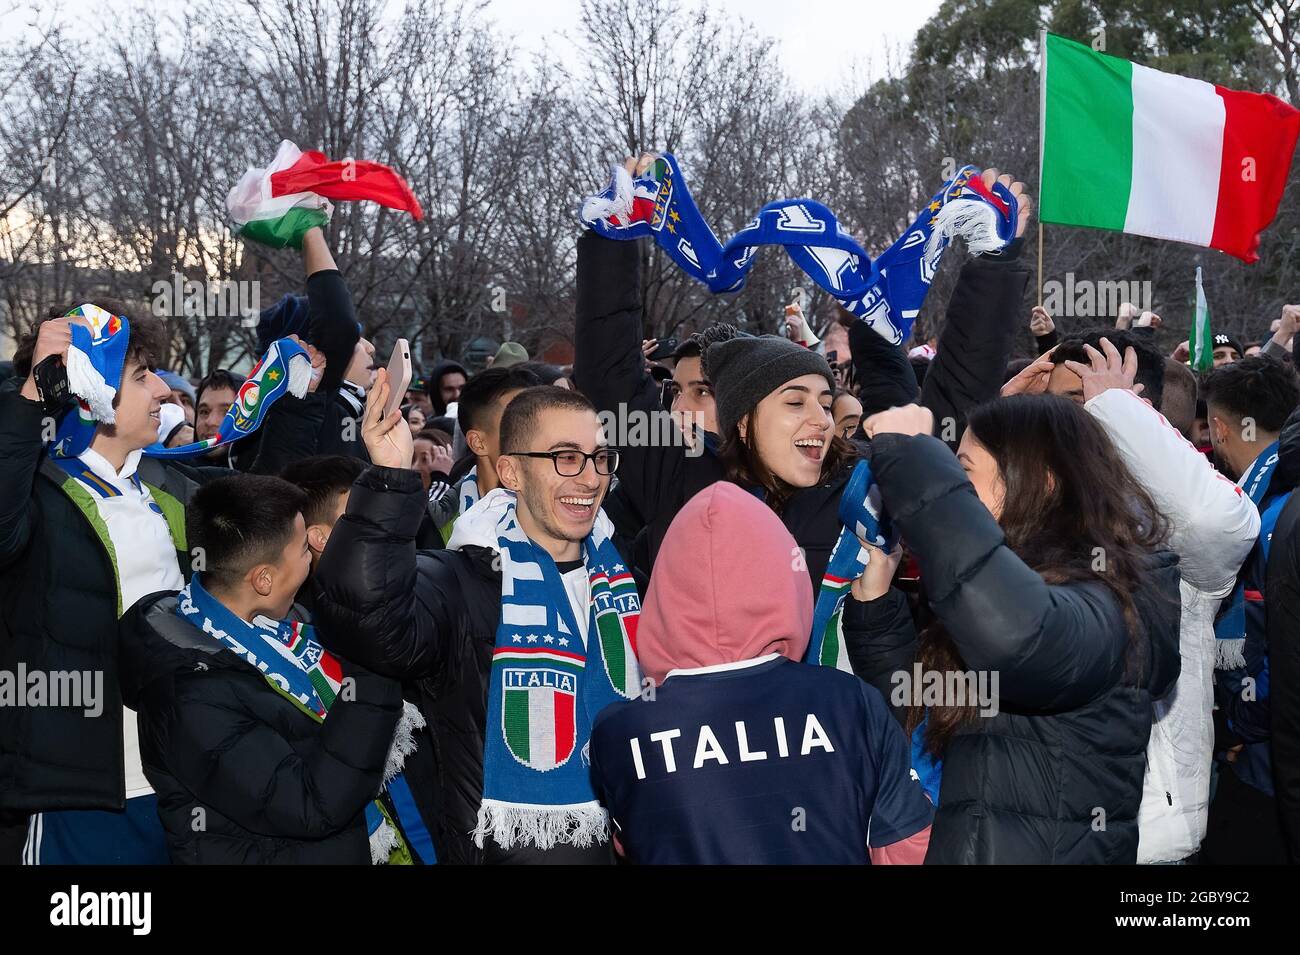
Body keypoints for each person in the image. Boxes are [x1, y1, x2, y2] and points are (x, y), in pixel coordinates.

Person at [574, 160, 1033, 587]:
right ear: (743, 420)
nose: (822, 419)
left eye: (825, 402)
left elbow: (954, 404)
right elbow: (609, 377)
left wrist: (996, 261)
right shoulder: (677, 473)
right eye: (795, 401)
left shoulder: (863, 484)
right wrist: (611, 244)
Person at [311, 377, 639, 863]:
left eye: (600, 458)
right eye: (566, 458)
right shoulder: (460, 580)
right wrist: (389, 480)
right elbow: (364, 618)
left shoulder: (623, 579)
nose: (590, 478)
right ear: (510, 472)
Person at [847, 396, 1180, 863]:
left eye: (964, 475)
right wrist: (877, 612)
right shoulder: (1016, 587)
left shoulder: (1110, 603)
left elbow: (1019, 639)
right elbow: (916, 715)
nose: (957, 490)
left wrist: (916, 461)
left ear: (1040, 484)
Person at [589, 482, 932, 864]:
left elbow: (634, 842)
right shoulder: (851, 702)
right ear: (785, 577)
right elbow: (908, 850)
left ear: (665, 588)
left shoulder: (618, 733)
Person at [1, 305, 205, 864]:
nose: (163, 389)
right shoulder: (39, 491)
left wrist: (298, 398)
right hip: (80, 790)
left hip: (176, 777)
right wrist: (32, 395)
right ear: (90, 392)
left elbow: (272, 509)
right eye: (141, 376)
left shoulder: (164, 485)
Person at [119, 474, 410, 864]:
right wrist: (374, 672)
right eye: (305, 548)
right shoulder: (190, 696)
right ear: (264, 580)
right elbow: (312, 806)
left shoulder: (285, 630)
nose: (315, 555)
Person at [1059, 339, 1260, 864]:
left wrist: (1116, 410)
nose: (1053, 428)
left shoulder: (1167, 539)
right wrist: (1004, 407)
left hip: (1143, 839)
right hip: (1032, 829)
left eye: (1076, 410)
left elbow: (1220, 523)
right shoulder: (1025, 515)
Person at [1199, 356, 1300, 864]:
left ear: (1218, 428)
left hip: (1266, 766)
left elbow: (1278, 648)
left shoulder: (1267, 514)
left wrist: (1237, 724)